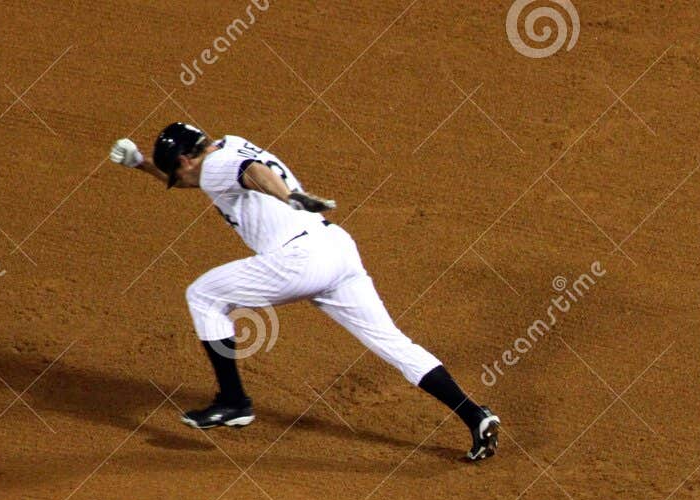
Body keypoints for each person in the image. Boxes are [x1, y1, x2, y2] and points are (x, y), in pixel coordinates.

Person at [108, 123, 499, 461]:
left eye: (174, 171)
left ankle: (233, 401)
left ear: (186, 160)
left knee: (203, 295)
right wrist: (140, 163)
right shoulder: (224, 148)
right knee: (394, 343)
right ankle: (475, 416)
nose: (179, 180)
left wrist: (288, 197)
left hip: (299, 260)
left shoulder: (219, 166)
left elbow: (253, 172)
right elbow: (216, 177)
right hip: (337, 250)